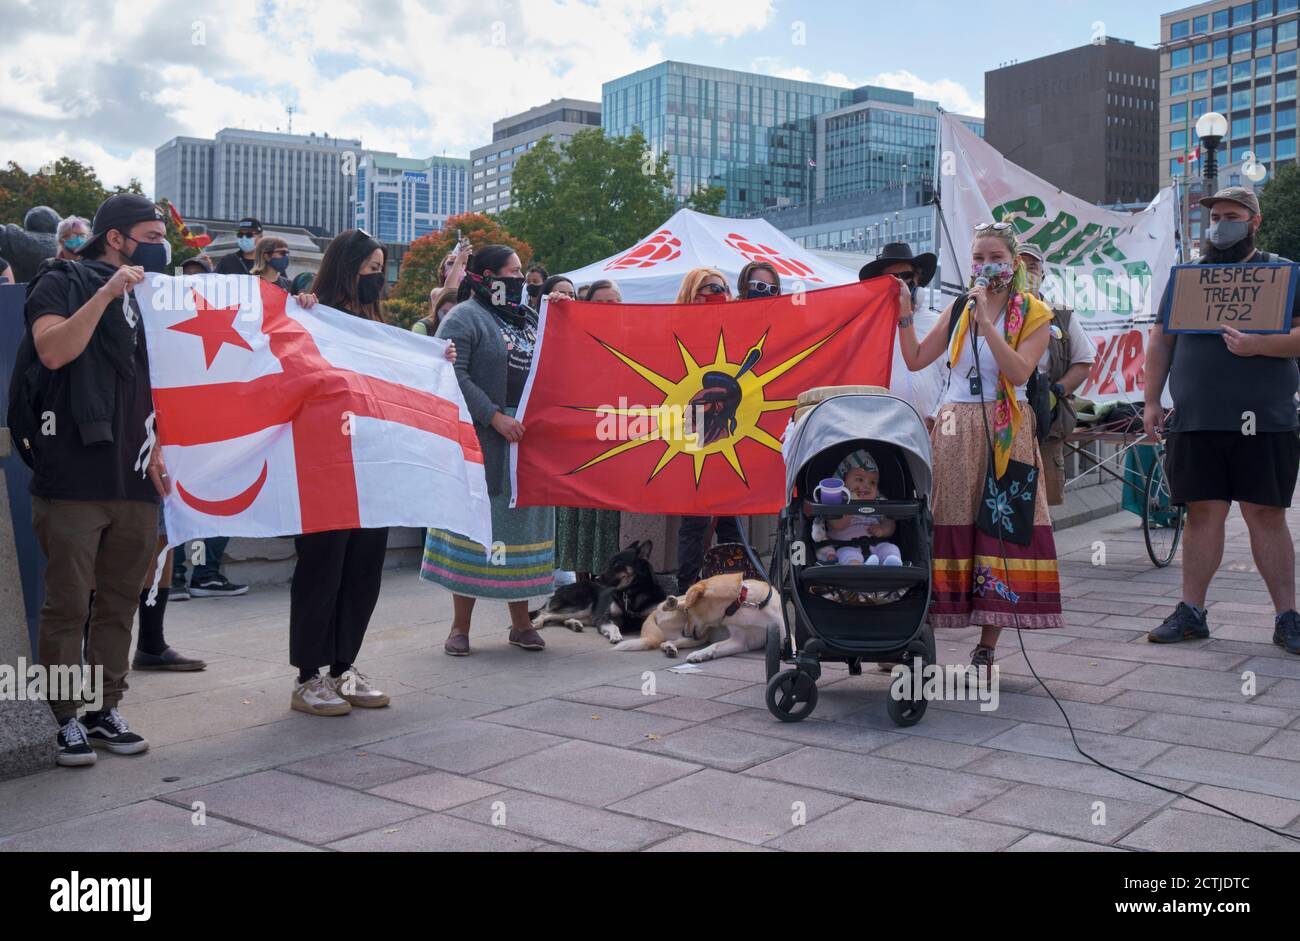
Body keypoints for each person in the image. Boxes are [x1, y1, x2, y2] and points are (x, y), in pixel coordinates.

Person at [22, 193, 176, 765]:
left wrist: (158, 448)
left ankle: (104, 707)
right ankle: (64, 717)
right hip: (73, 475)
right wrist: (107, 293)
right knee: (68, 604)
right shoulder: (59, 280)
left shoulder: (154, 299)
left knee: (118, 601)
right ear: (115, 237)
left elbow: (155, 383)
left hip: (133, 475)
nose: (160, 245)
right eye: (150, 233)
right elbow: (54, 350)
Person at [896, 222, 1063, 669]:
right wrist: (904, 314)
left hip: (1006, 428)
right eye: (978, 259)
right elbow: (915, 359)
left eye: (995, 258)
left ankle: (987, 644)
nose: (986, 267)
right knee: (946, 521)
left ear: (1013, 262)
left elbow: (1018, 374)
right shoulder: (959, 307)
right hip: (955, 426)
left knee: (1002, 526)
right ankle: (920, 631)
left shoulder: (1034, 313)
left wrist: (988, 323)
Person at [1143, 186, 1300, 653]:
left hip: (1265, 420)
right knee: (1201, 513)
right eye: (1213, 216)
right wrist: (1152, 401)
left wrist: (1260, 345)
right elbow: (1161, 341)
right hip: (1197, 419)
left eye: (1230, 215)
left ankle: (1288, 616)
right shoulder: (1188, 277)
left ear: (1254, 221)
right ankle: (1191, 612)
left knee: (1265, 514)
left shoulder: (1284, 274)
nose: (1219, 224)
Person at [286, 229, 421, 714]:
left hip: (371, 466)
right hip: (324, 464)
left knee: (364, 569)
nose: (377, 277)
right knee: (322, 567)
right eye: (369, 269)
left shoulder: (375, 321)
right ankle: (307, 676)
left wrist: (433, 363)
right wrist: (299, 314)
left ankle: (344, 667)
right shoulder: (309, 313)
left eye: (382, 268)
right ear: (346, 268)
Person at [424, 245, 554, 656]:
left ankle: (520, 623)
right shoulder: (464, 317)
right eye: (511, 272)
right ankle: (459, 627)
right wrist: (493, 416)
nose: (518, 278)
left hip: (527, 445)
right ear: (486, 275)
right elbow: (449, 372)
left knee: (519, 529)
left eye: (520, 272)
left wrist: (566, 308)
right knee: (477, 528)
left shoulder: (529, 318)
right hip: (482, 441)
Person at [673, 268, 743, 592]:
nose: (719, 291)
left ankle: (736, 589)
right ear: (692, 292)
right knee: (695, 520)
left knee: (732, 520)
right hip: (692, 433)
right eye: (711, 287)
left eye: (724, 287)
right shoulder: (673, 328)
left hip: (731, 434)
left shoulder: (738, 326)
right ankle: (687, 590)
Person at [1018, 244, 1095, 506]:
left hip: (1048, 422)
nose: (1027, 273)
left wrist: (1056, 392)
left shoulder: (1060, 315)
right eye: (1020, 266)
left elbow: (1083, 362)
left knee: (1045, 500)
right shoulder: (996, 313)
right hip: (1004, 419)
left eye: (1033, 267)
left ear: (1043, 274)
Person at [557, 278, 623, 581]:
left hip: (616, 439)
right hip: (579, 441)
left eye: (614, 302)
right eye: (601, 302)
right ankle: (582, 583)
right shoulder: (570, 340)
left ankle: (606, 583)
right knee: (579, 516)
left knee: (608, 520)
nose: (608, 308)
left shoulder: (631, 341)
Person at [811, 450, 901, 566]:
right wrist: (850, 506)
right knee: (847, 554)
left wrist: (883, 530)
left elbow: (890, 523)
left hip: (876, 543)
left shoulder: (879, 503)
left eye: (873, 482)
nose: (866, 486)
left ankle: (891, 562)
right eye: (860, 479)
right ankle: (859, 568)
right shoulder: (837, 502)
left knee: (890, 548)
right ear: (843, 481)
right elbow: (838, 525)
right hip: (845, 545)